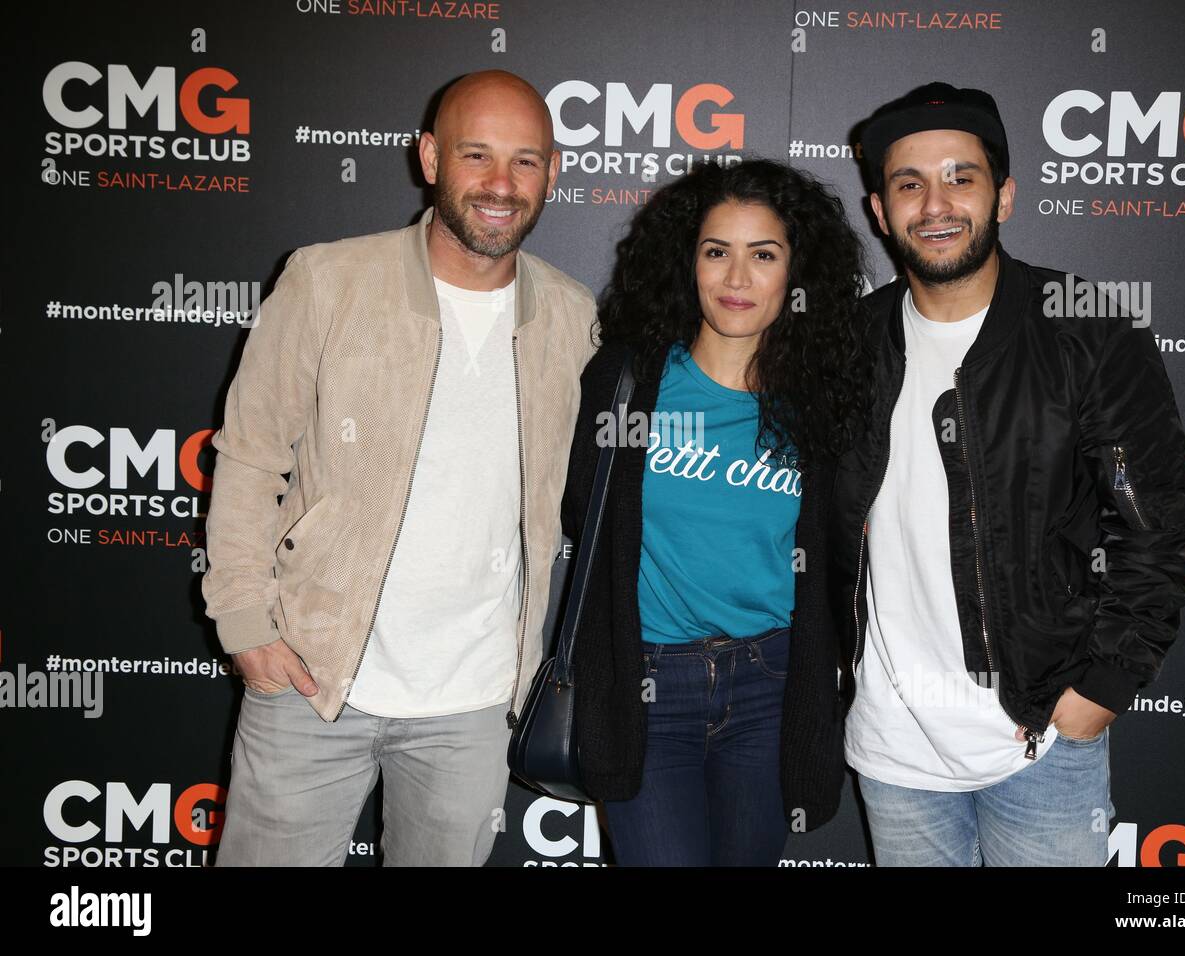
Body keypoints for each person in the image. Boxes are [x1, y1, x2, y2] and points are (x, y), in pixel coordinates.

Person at [201, 70, 598, 866]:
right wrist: (244, 623)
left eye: (526, 161)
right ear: (429, 158)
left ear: (554, 173)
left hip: (476, 706)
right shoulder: (327, 281)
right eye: (476, 155)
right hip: (309, 682)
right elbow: (249, 453)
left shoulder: (571, 313)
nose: (499, 184)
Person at [833, 82, 1185, 866]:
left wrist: (1101, 688)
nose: (936, 204)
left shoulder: (1085, 326)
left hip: (1040, 741)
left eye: (961, 178)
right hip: (893, 750)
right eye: (909, 183)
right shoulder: (850, 342)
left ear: (1003, 196)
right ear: (878, 209)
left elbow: (1158, 520)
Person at [561, 158, 870, 866]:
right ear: (686, 262)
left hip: (771, 688)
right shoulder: (626, 382)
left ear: (797, 273)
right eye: (716, 251)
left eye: (763, 255)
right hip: (646, 686)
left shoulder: (824, 403)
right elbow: (586, 513)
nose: (737, 279)